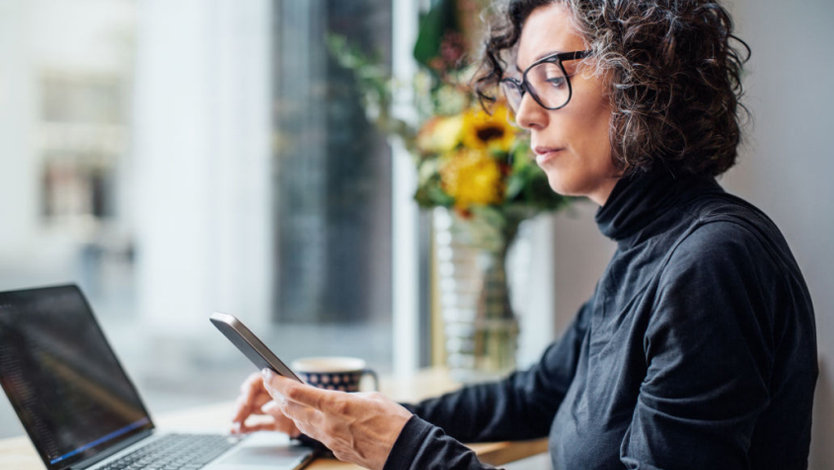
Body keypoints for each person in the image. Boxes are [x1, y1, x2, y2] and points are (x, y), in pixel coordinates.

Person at [231, 0, 818, 468]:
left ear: (645, 78)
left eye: (549, 75)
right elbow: (530, 397)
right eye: (519, 84)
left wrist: (407, 450)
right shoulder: (649, 251)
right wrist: (340, 420)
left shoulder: (711, 262)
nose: (523, 115)